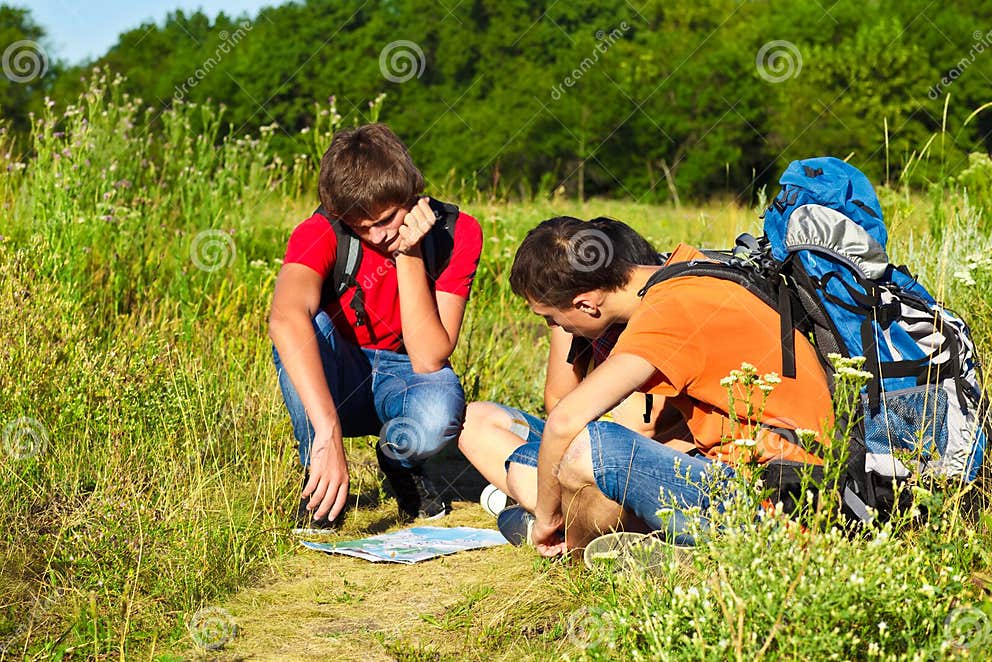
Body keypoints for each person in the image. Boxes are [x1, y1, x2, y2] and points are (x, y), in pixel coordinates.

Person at [502, 216, 834, 556]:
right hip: (760, 471)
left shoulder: (665, 313)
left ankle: (578, 556)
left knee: (588, 448)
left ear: (586, 304)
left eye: (552, 318)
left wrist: (547, 520)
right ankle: (642, 542)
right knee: (527, 462)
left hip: (780, 497)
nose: (557, 327)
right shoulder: (686, 269)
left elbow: (564, 421)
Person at [268, 123, 482, 529]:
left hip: (405, 370)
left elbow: (428, 358)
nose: (377, 235)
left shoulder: (458, 232)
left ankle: (401, 461)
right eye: (360, 227)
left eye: (387, 220)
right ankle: (321, 484)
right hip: (340, 369)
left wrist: (409, 252)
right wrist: (328, 431)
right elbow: (284, 318)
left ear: (413, 194)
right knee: (303, 327)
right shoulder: (321, 230)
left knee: (437, 414)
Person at [458, 218, 691, 518]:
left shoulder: (652, 324)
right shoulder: (576, 321)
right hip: (577, 443)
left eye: (552, 317)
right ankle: (553, 505)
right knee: (474, 421)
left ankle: (542, 508)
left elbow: (641, 426)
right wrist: (565, 323)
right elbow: (557, 401)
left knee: (528, 469)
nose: (553, 324)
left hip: (633, 455)